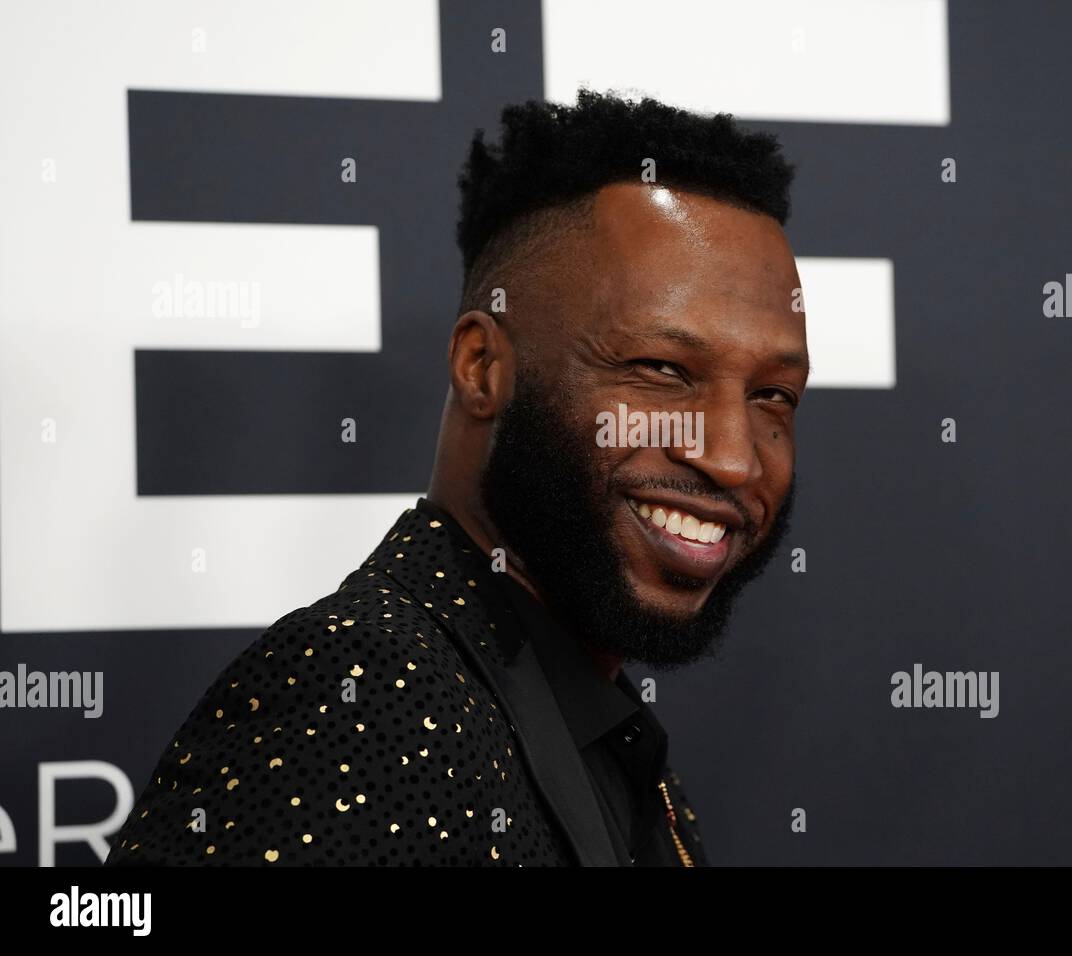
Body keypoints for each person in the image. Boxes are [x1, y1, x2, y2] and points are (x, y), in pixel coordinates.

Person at [105, 90, 808, 866]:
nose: (735, 457)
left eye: (773, 394)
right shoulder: (365, 697)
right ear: (483, 368)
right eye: (662, 370)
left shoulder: (591, 724)